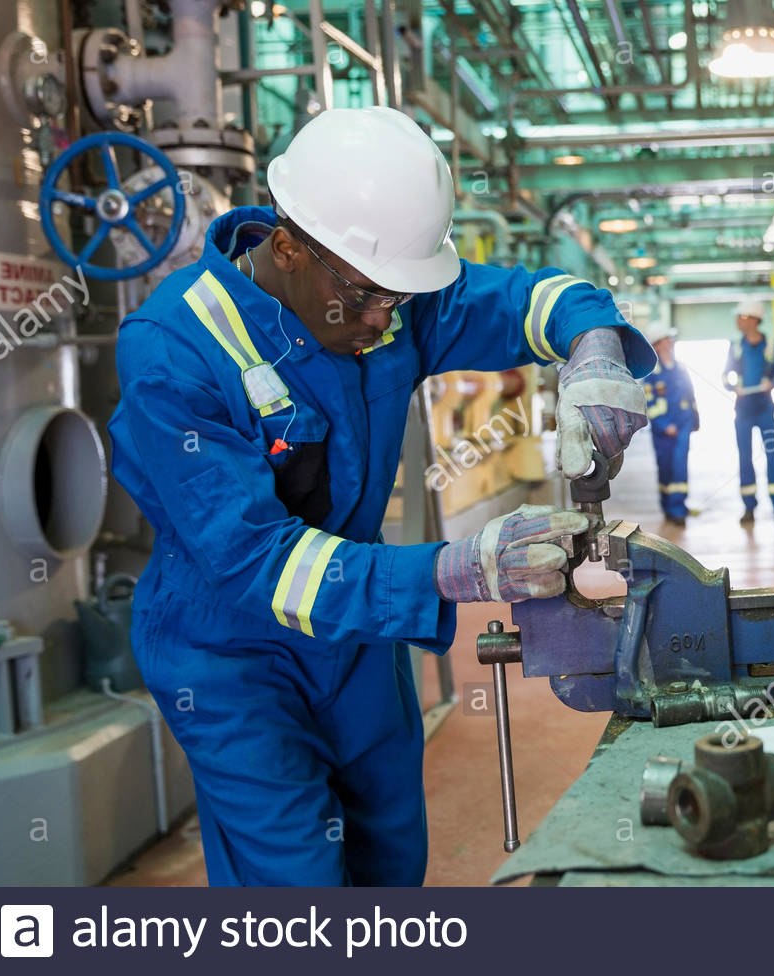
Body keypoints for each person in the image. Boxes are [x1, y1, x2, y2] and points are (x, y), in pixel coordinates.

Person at [107, 107, 654, 886]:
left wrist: (592, 351)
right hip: (230, 651)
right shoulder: (175, 352)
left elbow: (539, 298)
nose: (380, 322)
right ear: (287, 246)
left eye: (398, 299)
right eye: (367, 297)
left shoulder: (382, 299)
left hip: (357, 637)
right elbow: (258, 565)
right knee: (295, 875)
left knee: (389, 854)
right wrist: (453, 571)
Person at [723, 299, 774, 526]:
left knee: (772, 456)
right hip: (743, 411)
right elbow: (725, 376)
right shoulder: (736, 346)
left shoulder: (771, 345)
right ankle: (748, 507)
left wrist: (772, 382)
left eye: (741, 317)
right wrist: (734, 387)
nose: (737, 321)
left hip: (764, 410)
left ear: (754, 319)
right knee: (745, 458)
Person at [642, 322, 699, 528]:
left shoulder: (679, 367)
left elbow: (689, 393)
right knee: (665, 468)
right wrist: (665, 425)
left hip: (683, 423)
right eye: (667, 339)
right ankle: (668, 506)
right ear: (657, 345)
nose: (671, 342)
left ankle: (678, 509)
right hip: (663, 430)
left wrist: (695, 417)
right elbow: (649, 404)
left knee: (679, 467)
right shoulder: (651, 373)